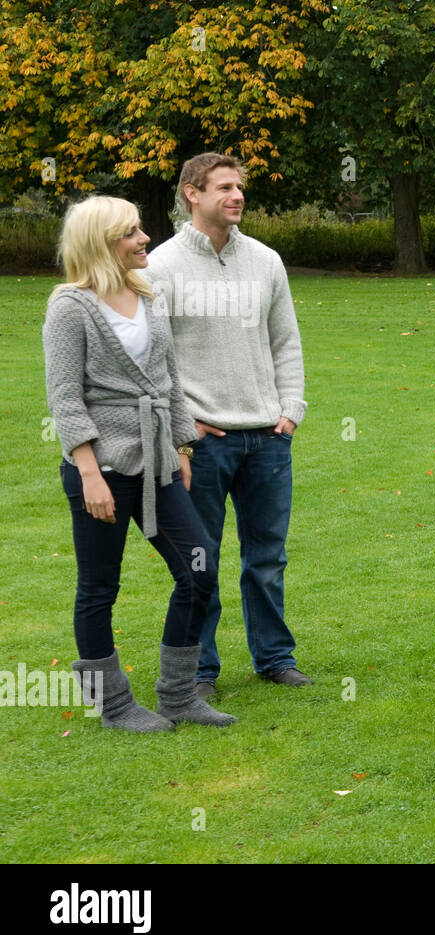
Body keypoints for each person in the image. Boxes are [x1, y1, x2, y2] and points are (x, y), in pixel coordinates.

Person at [44, 196, 237, 730]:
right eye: (132, 232)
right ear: (104, 243)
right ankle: (115, 706)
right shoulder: (70, 307)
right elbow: (64, 398)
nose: (145, 238)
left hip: (158, 464)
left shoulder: (146, 296)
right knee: (99, 588)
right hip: (100, 469)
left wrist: (181, 447)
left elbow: (169, 384)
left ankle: (178, 695)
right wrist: (88, 473)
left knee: (198, 567)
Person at [146, 153, 310, 696]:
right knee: (201, 559)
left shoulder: (266, 261)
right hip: (203, 442)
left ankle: (275, 659)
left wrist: (290, 411)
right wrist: (182, 424)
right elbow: (149, 356)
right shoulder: (161, 267)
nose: (237, 195)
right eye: (224, 187)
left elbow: (285, 341)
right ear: (192, 193)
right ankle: (200, 670)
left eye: (240, 186)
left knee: (267, 558)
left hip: (267, 440)